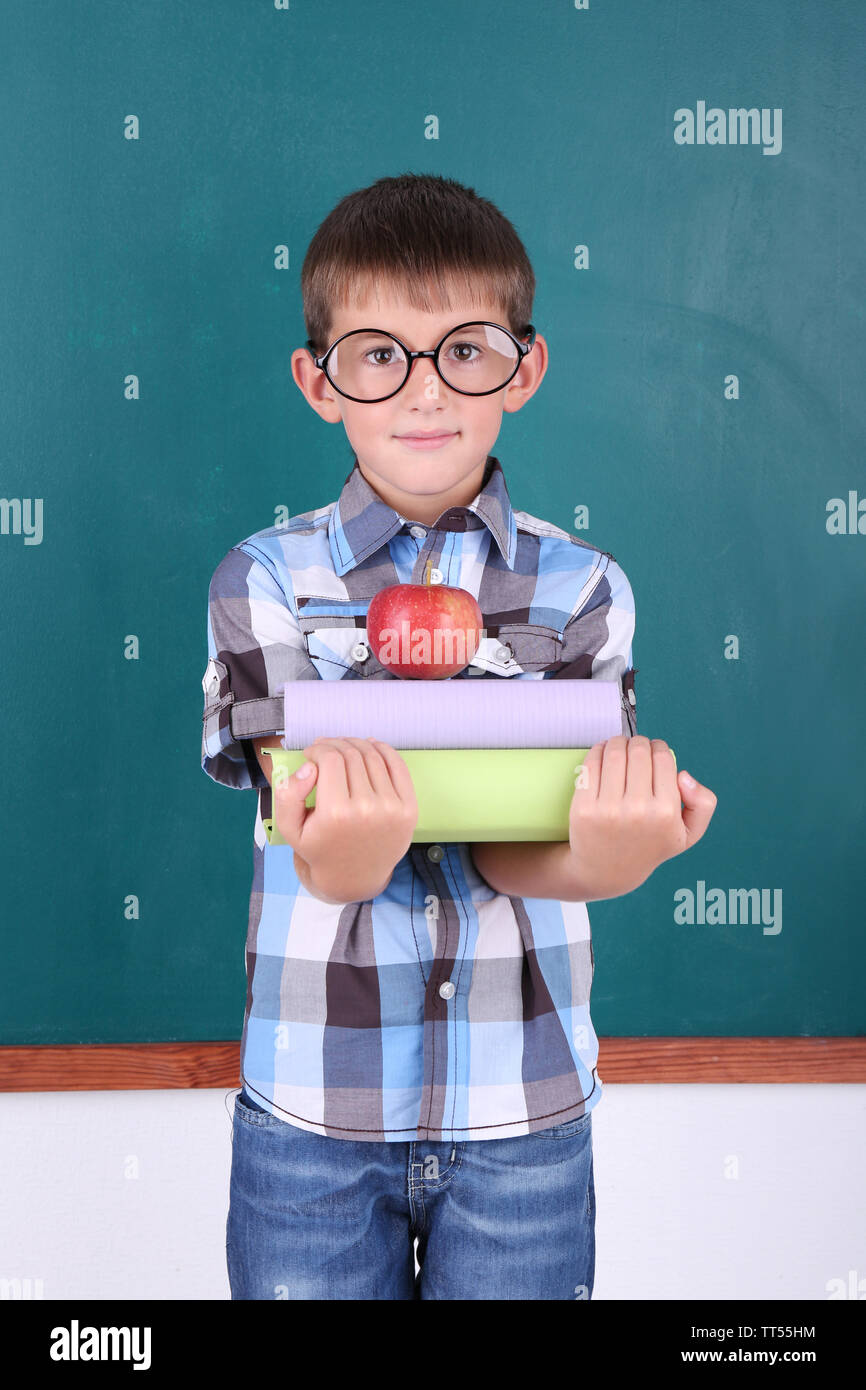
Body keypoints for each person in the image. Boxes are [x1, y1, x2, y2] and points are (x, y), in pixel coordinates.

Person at [201, 172, 717, 1300]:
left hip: (522, 1107)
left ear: (520, 370)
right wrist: (349, 843)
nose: (423, 389)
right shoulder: (265, 579)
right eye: (377, 353)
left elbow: (520, 852)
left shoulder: (583, 590)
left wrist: (615, 853)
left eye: (465, 350)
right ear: (318, 381)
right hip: (313, 1118)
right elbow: (314, 847)